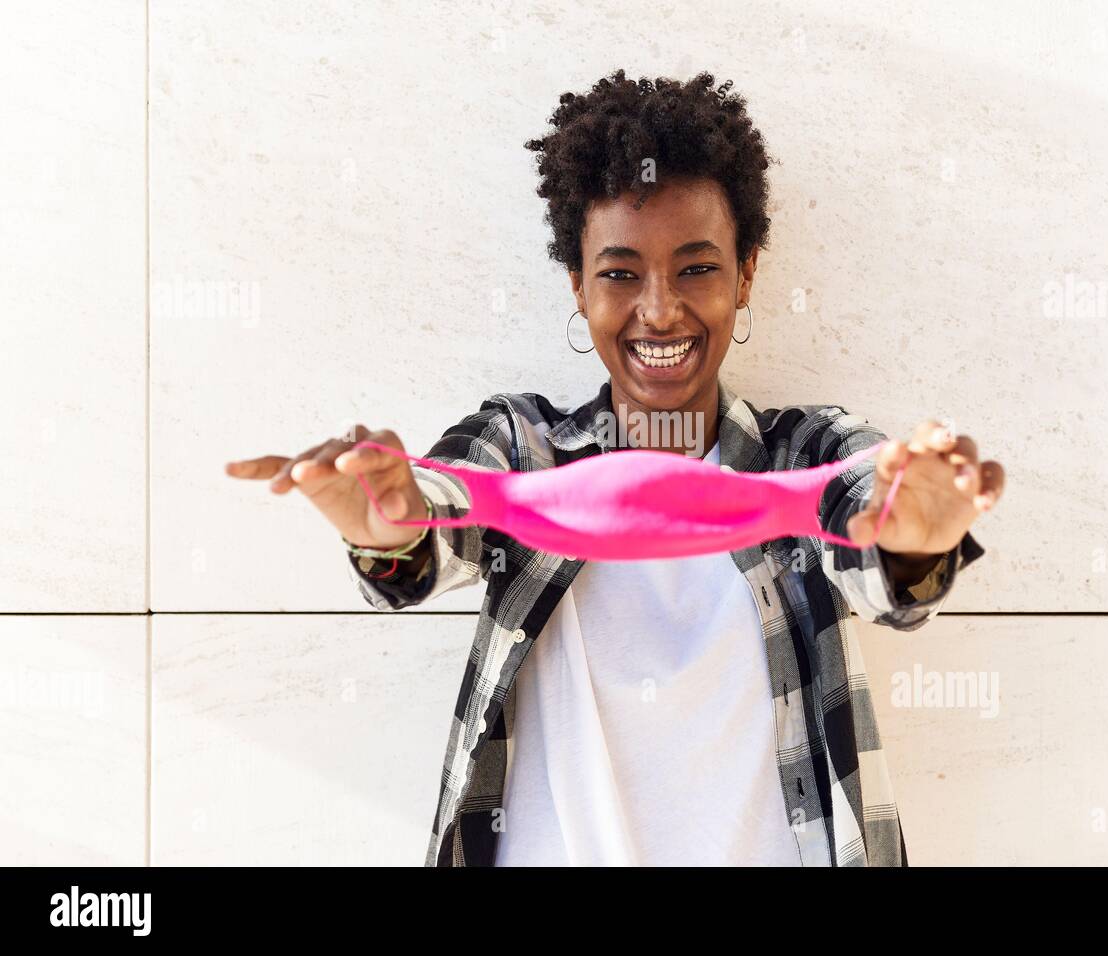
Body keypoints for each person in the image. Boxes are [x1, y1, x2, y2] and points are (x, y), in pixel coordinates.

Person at [226, 70, 1005, 867]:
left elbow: (866, 521)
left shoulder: (805, 452)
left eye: (697, 268)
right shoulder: (522, 444)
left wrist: (913, 540)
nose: (660, 310)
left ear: (746, 274)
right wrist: (389, 526)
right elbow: (441, 510)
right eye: (620, 273)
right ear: (578, 285)